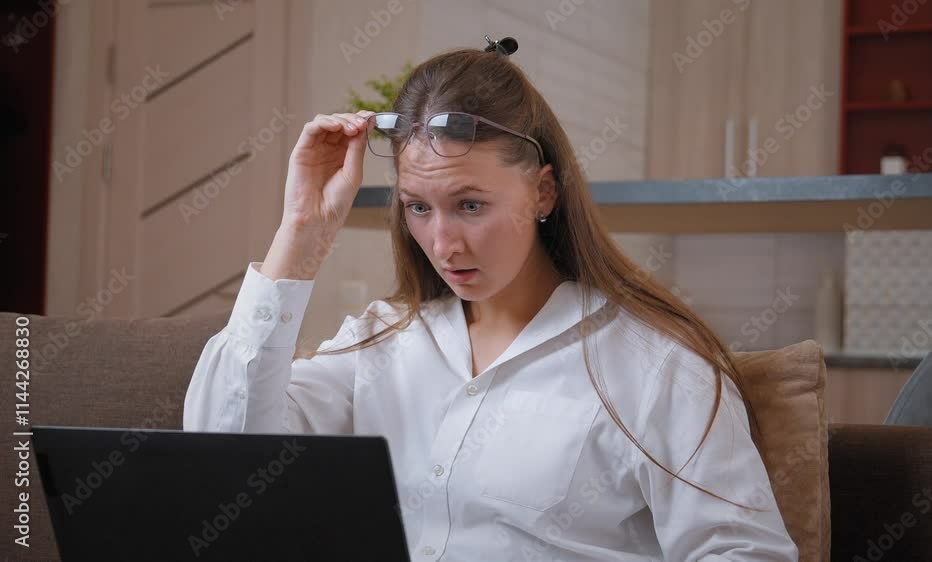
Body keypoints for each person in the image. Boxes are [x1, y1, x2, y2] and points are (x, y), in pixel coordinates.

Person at [183, 36, 798, 561]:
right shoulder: (381, 343)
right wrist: (301, 233)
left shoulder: (654, 364)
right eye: (418, 208)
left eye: (470, 205)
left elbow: (744, 550)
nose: (443, 243)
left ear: (542, 193)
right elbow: (220, 453)